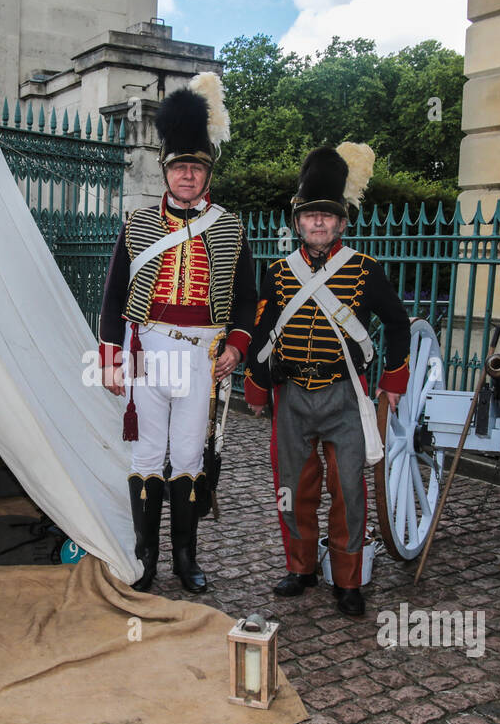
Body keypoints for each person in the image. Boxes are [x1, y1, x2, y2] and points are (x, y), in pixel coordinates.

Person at [97, 74, 257, 594]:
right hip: (150, 348)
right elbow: (114, 294)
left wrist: (237, 345)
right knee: (147, 455)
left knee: (189, 457)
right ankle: (146, 557)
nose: (187, 175)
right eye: (179, 167)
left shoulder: (230, 227)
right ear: (166, 170)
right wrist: (110, 356)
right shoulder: (138, 223)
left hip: (203, 354)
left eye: (196, 167)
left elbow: (249, 298)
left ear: (207, 173)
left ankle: (185, 557)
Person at [244, 143, 410, 616]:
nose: (318, 223)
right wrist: (257, 385)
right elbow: (262, 331)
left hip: (344, 393)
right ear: (298, 222)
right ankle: (300, 569)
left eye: (327, 217)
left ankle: (348, 580)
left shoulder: (364, 270)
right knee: (293, 488)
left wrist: (393, 380)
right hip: (291, 394)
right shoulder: (279, 273)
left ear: (341, 223)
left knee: (349, 491)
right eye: (310, 216)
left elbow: (398, 324)